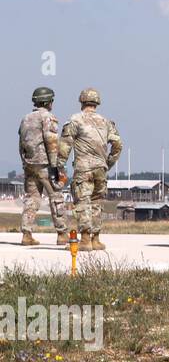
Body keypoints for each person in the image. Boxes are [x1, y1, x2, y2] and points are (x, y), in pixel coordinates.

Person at [57, 88, 122, 251]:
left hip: (83, 168)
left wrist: (60, 166)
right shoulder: (106, 122)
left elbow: (65, 146)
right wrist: (108, 163)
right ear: (97, 103)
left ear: (82, 102)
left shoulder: (75, 120)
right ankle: (96, 239)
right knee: (96, 203)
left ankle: (85, 240)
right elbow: (117, 145)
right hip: (101, 168)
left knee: (83, 202)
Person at [17, 86, 69, 246]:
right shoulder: (48, 118)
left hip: (30, 163)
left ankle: (27, 233)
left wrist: (25, 161)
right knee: (56, 197)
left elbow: (21, 142)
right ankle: (62, 234)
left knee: (32, 198)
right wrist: (57, 166)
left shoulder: (26, 118)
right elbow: (51, 142)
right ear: (48, 102)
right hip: (45, 164)